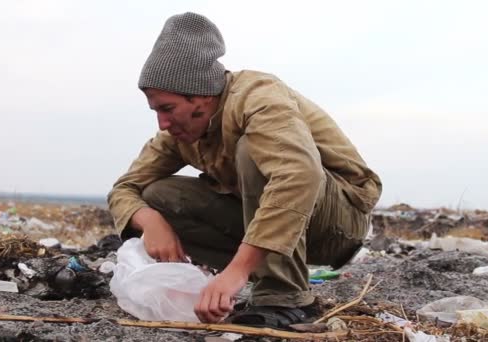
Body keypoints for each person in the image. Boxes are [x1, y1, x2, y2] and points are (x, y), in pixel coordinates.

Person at [107, 12, 382, 328]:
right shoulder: (177, 135)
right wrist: (151, 221)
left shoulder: (258, 96)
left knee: (253, 151)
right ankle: (259, 275)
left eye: (168, 109)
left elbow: (299, 176)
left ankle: (284, 297)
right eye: (156, 111)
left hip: (337, 225)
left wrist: (236, 271)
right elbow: (124, 188)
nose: (163, 124)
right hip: (279, 231)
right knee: (156, 195)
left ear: (203, 95)